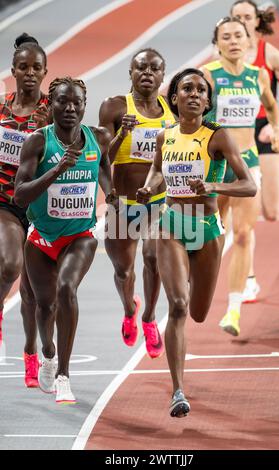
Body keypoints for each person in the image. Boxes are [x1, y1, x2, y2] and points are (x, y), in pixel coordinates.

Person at [136, 68, 257, 417]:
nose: (193, 94)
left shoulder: (218, 137)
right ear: (174, 97)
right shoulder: (165, 136)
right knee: (178, 305)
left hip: (207, 230)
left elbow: (249, 186)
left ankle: (189, 286)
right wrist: (149, 187)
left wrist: (214, 187)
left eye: (200, 90)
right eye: (186, 88)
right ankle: (177, 391)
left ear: (207, 101)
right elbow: (158, 171)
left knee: (200, 313)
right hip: (172, 225)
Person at [15, 76, 116, 404]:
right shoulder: (38, 143)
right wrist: (56, 170)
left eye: (76, 103)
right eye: (62, 101)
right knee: (45, 306)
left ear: (85, 105)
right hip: (42, 239)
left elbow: (102, 168)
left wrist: (111, 192)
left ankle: (64, 376)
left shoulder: (97, 138)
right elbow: (19, 195)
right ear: (51, 104)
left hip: (80, 236)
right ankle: (47, 352)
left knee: (66, 288)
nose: (70, 108)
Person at [201, 17, 279, 336]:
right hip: (216, 164)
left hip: (247, 163)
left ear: (249, 41)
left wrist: (275, 130)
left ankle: (233, 309)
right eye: (227, 36)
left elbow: (272, 107)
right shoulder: (208, 74)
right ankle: (199, 287)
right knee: (213, 234)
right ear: (217, 43)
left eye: (239, 36)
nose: (234, 41)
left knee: (245, 235)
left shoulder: (258, 74)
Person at [99, 49, 175, 359]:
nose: (147, 73)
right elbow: (102, 160)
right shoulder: (115, 107)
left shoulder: (172, 112)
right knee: (123, 271)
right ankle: (130, 310)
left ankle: (149, 318)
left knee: (153, 257)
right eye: (140, 67)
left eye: (154, 69)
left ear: (162, 75)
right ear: (130, 72)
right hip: (122, 202)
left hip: (158, 200)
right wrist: (122, 134)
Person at [230, 0, 279, 302]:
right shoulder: (225, 56)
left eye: (247, 17)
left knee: (270, 211)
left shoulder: (271, 56)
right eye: (236, 18)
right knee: (246, 218)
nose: (242, 22)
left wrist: (276, 123)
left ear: (258, 21)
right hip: (236, 139)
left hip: (264, 133)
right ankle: (249, 278)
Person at [0, 33, 49, 387]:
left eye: (36, 68)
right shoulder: (1, 110)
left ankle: (32, 353)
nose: (29, 73)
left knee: (36, 295)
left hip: (43, 209)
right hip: (6, 202)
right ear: (13, 70)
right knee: (9, 264)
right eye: (23, 67)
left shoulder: (53, 110)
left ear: (45, 72)